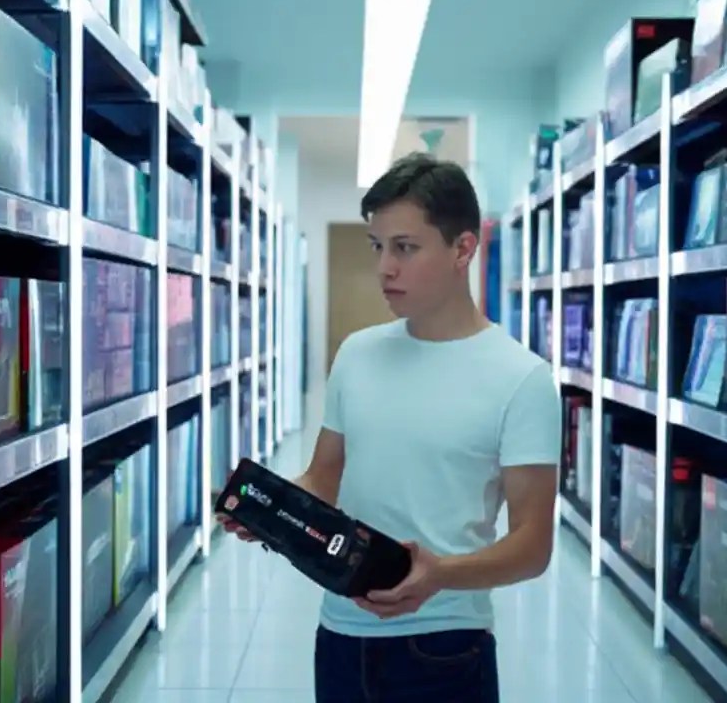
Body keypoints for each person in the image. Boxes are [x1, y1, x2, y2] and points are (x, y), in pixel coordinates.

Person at [220, 152, 561, 702]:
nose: (385, 268)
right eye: (378, 247)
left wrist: (440, 573)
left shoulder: (521, 379)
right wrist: (272, 510)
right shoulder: (357, 354)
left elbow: (533, 545)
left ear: (463, 249)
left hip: (445, 645)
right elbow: (324, 476)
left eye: (405, 248)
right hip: (340, 633)